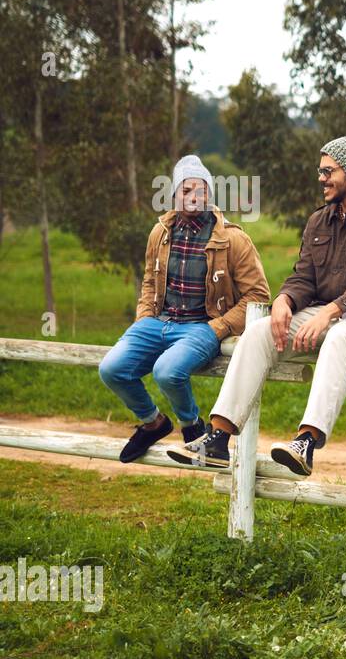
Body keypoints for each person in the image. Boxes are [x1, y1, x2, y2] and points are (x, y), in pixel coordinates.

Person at [167, 136, 346, 475]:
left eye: (328, 171)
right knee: (258, 332)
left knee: (341, 336)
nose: (321, 178)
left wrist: (333, 311)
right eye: (320, 170)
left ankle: (306, 442)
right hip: (329, 312)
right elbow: (304, 275)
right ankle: (217, 440)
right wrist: (285, 300)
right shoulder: (320, 220)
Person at [98, 154, 269, 462]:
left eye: (200, 190)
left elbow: (258, 295)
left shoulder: (232, 239)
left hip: (201, 327)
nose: (193, 196)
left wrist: (217, 328)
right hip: (158, 322)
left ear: (209, 194)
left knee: (167, 372)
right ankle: (153, 423)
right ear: (174, 195)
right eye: (185, 190)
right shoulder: (160, 232)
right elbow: (150, 281)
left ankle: (192, 427)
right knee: (111, 369)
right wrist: (143, 319)